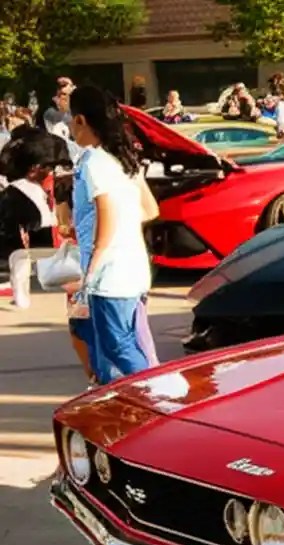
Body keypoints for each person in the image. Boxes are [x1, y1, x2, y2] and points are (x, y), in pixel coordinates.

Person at [68, 85, 156, 383]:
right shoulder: (123, 160)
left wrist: (92, 268)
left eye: (71, 119)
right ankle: (120, 404)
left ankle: (155, 397)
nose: (70, 127)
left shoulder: (95, 162)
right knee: (101, 342)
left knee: (118, 345)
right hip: (131, 269)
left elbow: (106, 220)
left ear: (80, 120)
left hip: (110, 276)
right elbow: (150, 210)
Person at [1, 128, 72, 308]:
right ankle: (23, 294)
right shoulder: (26, 186)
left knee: (19, 254)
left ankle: (22, 295)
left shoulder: (23, 181)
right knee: (20, 254)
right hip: (25, 209)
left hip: (23, 207)